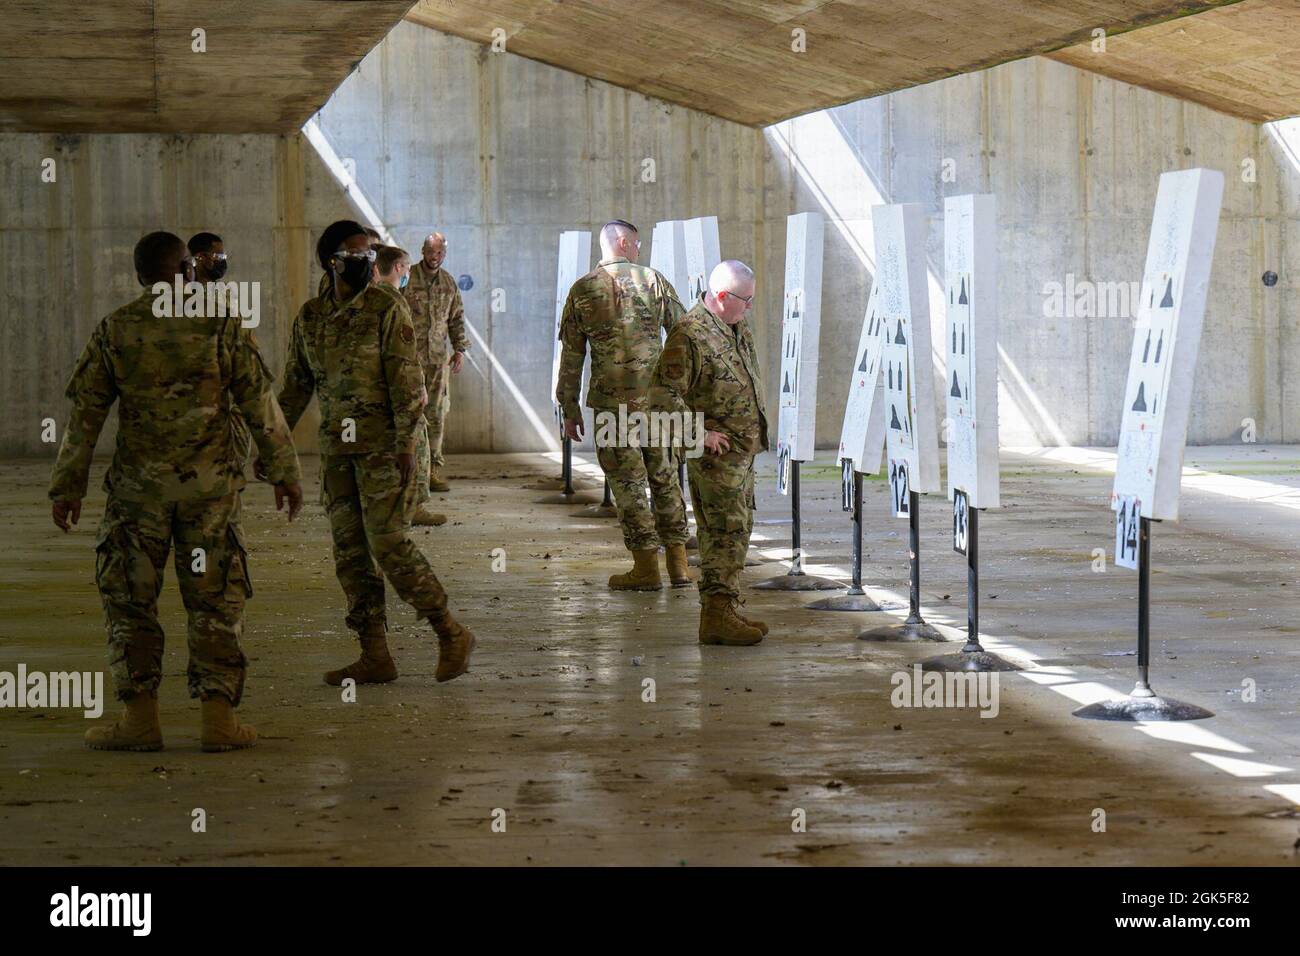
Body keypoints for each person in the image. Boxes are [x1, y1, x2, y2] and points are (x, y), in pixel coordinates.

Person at [49, 231, 304, 751]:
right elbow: (260, 404)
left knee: (131, 603)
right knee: (215, 603)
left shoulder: (117, 328)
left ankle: (141, 722)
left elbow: (86, 416)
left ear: (141, 276)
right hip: (210, 493)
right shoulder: (221, 323)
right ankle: (217, 723)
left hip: (138, 495)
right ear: (187, 269)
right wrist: (284, 471)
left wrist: (67, 486)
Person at [270, 220, 476, 685]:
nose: (365, 260)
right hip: (339, 454)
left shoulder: (387, 307)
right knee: (350, 554)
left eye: (369, 253)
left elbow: (409, 382)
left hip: (387, 447)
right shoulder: (310, 317)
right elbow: (295, 389)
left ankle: (450, 632)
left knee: (389, 543)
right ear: (331, 261)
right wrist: (271, 445)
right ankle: (375, 654)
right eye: (354, 254)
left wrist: (407, 443)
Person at [556, 219, 691, 590]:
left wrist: (568, 408)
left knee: (628, 484)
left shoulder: (583, 289)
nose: (639, 249)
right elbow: (683, 335)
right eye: (636, 242)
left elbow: (571, 354)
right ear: (622, 242)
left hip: (612, 407)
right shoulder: (654, 281)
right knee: (665, 479)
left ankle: (646, 568)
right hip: (659, 404)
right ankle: (678, 565)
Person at [647, 260, 769, 645]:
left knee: (737, 529)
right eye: (745, 301)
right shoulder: (689, 335)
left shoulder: (733, 325)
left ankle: (726, 606)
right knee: (721, 532)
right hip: (717, 457)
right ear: (720, 297)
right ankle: (715, 616)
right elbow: (661, 395)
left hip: (741, 452)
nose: (749, 309)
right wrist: (698, 433)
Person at [373, 244, 446, 527]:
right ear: (400, 268)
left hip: (387, 387)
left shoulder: (371, 298)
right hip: (403, 386)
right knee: (416, 445)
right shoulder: (392, 300)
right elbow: (404, 353)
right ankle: (412, 506)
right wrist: (418, 389)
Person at [402, 232, 469, 492]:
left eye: (440, 253)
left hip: (438, 361)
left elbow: (456, 319)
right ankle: (410, 470)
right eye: (431, 252)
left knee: (437, 414)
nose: (435, 257)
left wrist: (460, 349)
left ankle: (432, 471)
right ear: (422, 251)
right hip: (410, 361)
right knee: (410, 413)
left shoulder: (449, 283)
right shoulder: (407, 279)